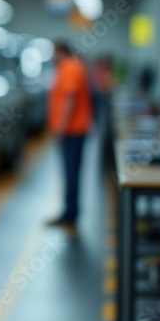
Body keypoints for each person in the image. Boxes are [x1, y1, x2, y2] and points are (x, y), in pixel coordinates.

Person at [48, 42, 93, 226]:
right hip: (75, 129)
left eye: (53, 53)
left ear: (60, 51)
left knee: (71, 172)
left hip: (72, 129)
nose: (52, 57)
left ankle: (70, 213)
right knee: (71, 171)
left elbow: (70, 98)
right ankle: (70, 211)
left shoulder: (69, 68)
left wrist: (61, 127)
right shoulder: (72, 66)